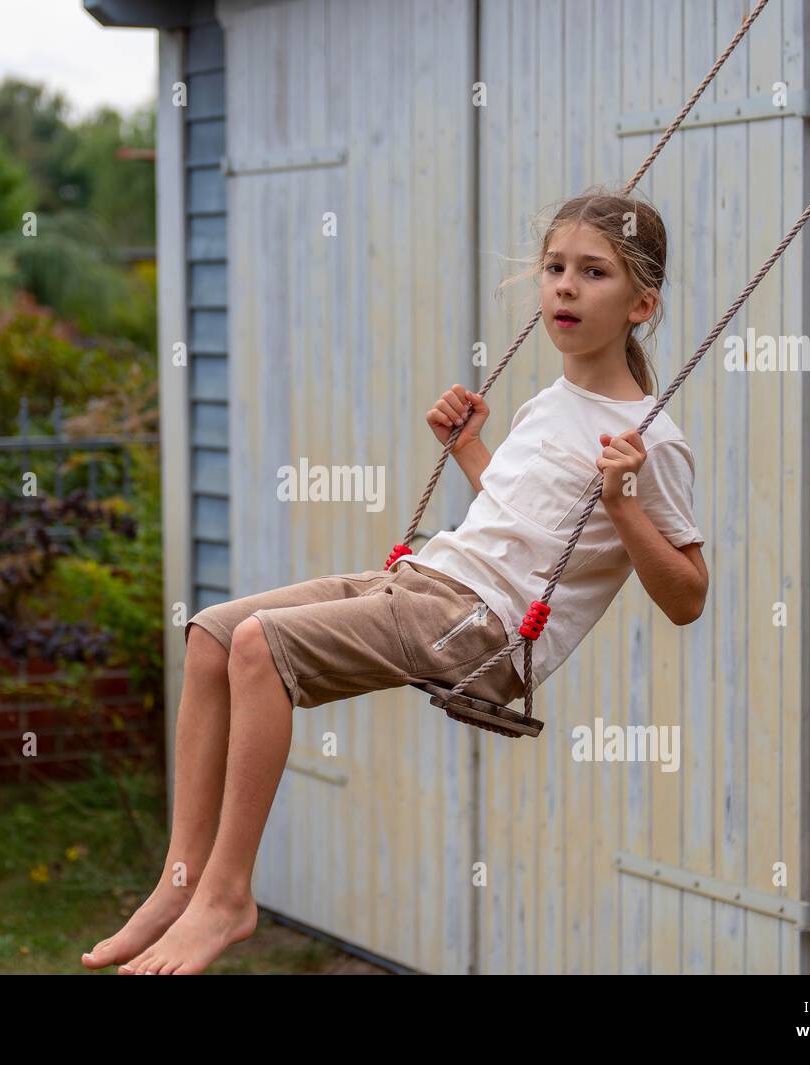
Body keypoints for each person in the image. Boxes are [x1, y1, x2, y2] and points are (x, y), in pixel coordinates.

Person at [82, 187, 709, 975]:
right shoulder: (550, 404)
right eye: (554, 267)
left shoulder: (652, 438)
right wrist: (472, 450)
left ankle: (227, 895)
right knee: (211, 634)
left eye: (594, 272)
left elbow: (687, 594)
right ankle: (180, 880)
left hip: (482, 630)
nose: (565, 287)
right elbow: (525, 526)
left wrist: (622, 502)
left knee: (258, 648)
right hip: (430, 581)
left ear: (641, 303)